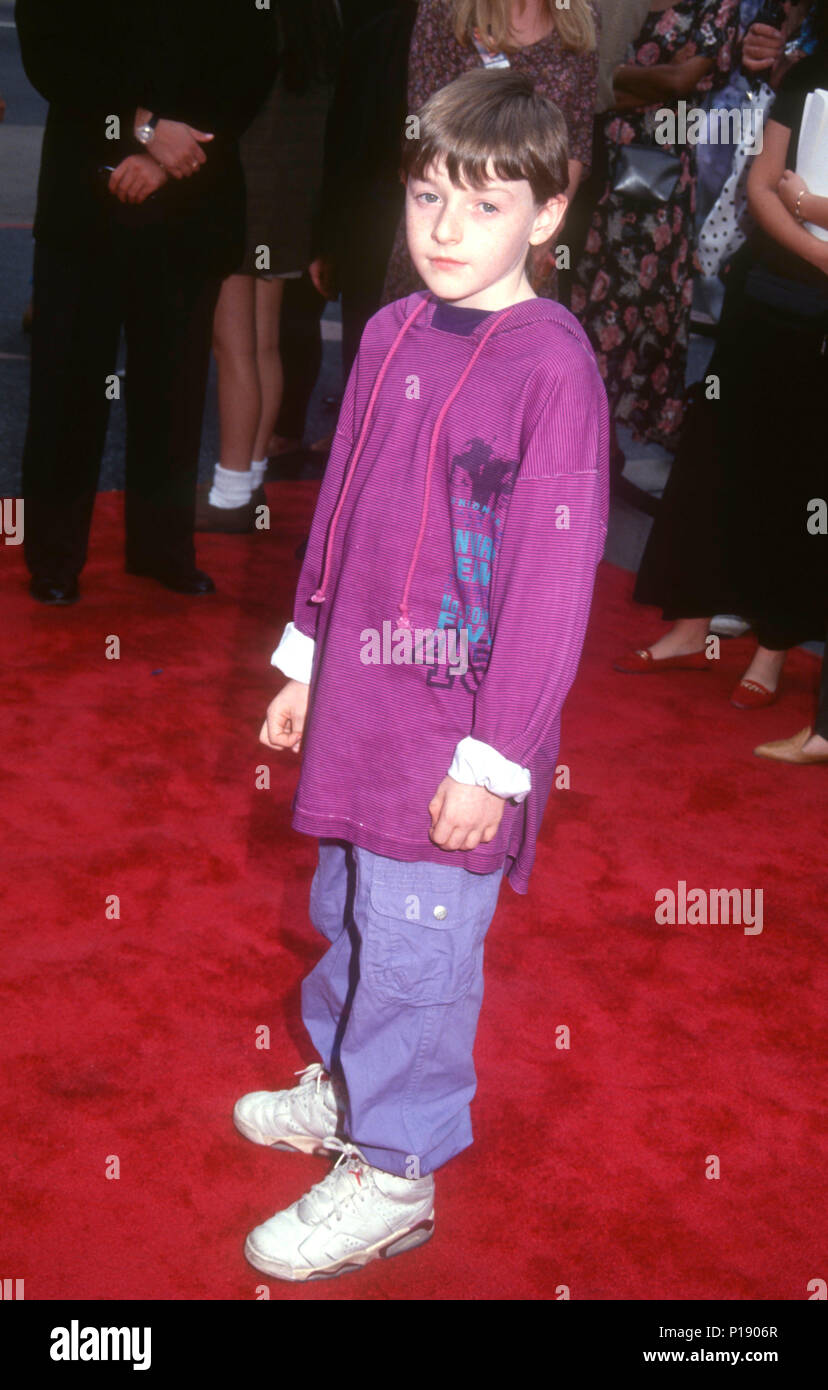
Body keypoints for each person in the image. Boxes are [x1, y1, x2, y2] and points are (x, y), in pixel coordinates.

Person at [233, 67, 609, 1280]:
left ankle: (396, 1168)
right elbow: (339, 512)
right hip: (362, 709)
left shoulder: (553, 366)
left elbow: (551, 595)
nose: (446, 230)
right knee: (349, 913)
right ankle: (350, 1090)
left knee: (418, 949)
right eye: (429, 195)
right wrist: (303, 659)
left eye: (486, 204)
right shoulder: (391, 328)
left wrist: (495, 764)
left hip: (458, 733)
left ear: (549, 215)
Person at [16, 0, 276, 601]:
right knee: (66, 389)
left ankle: (164, 548)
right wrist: (141, 126)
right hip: (86, 195)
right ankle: (54, 558)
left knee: (175, 386)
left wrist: (175, 154)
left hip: (192, 196)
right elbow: (49, 53)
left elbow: (252, 63)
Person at [614, 0, 828, 711]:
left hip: (817, 312)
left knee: (803, 477)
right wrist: (812, 248)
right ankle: (691, 624)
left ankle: (772, 649)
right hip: (766, 290)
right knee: (716, 453)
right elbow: (762, 185)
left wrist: (814, 218)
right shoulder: (811, 73)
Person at [196, 0, 342, 533]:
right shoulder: (321, 14)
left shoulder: (255, 15)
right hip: (294, 195)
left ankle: (231, 491)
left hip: (242, 192)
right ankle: (249, 475)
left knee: (233, 348)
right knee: (262, 344)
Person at [571, 0, 739, 452]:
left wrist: (606, 78)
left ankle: (591, 452)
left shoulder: (716, 7)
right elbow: (581, 63)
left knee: (631, 308)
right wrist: (641, 81)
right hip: (590, 165)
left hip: (654, 185)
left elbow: (682, 81)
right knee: (577, 298)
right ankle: (559, 435)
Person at [380, 0, 600, 305]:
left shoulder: (581, 14)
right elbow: (421, 130)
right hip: (449, 230)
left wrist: (544, 232)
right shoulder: (446, 8)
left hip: (528, 237)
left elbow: (575, 141)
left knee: (515, 345)